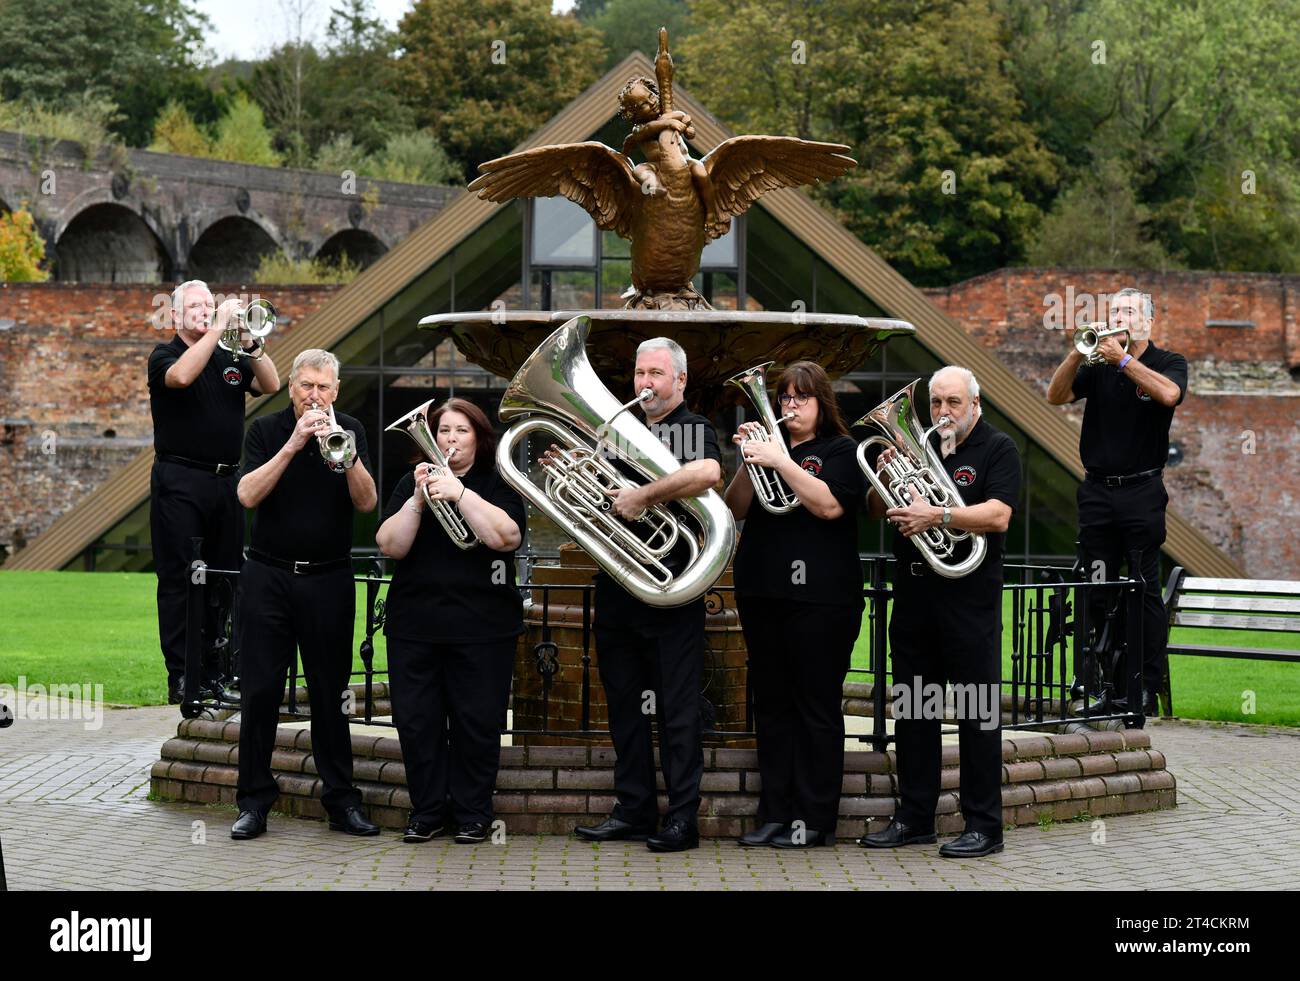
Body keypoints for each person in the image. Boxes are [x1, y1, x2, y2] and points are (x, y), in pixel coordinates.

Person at [858, 366, 1020, 858]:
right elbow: (872, 509)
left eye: (952, 403)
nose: (943, 413)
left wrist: (940, 515)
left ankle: (984, 827)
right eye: (935, 404)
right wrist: (885, 477)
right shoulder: (916, 449)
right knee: (913, 713)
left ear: (975, 403)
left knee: (976, 715)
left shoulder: (998, 448)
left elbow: (998, 514)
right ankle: (915, 819)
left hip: (968, 602)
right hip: (915, 600)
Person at [573, 337, 723, 852]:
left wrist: (644, 494)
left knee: (677, 711)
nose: (645, 384)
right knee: (624, 709)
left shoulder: (693, 429)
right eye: (639, 374)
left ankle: (683, 819)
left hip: (672, 588)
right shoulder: (619, 431)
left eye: (656, 374)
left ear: (679, 381)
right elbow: (596, 501)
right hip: (619, 587)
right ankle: (634, 809)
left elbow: (708, 473)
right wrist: (577, 470)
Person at [229, 349, 378, 841]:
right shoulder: (266, 431)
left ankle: (341, 801)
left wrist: (347, 455)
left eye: (324, 388)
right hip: (268, 576)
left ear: (336, 392)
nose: (315, 396)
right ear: (291, 388)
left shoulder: (349, 429)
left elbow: (367, 502)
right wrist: (293, 446)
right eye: (306, 386)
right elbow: (247, 495)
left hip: (328, 579)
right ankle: (253, 802)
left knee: (331, 693)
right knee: (261, 691)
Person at [724, 361, 865, 848]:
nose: (790, 406)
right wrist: (748, 459)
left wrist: (782, 460)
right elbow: (736, 507)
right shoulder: (767, 452)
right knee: (773, 706)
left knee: (815, 707)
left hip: (821, 599)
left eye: (800, 398)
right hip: (763, 591)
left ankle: (813, 820)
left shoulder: (842, 451)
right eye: (784, 398)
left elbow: (828, 506)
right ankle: (775, 814)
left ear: (820, 403)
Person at [376, 398, 525, 845]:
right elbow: (390, 545)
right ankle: (427, 811)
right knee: (418, 724)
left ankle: (473, 813)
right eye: (443, 431)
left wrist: (460, 493)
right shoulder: (411, 482)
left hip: (483, 628)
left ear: (479, 439)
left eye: (462, 431)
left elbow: (506, 537)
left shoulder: (497, 482)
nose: (451, 440)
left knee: (475, 723)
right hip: (415, 626)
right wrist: (418, 500)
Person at [1046, 288, 1186, 714]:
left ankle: (1143, 684)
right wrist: (1076, 352)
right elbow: (1054, 397)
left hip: (1141, 490)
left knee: (1142, 587)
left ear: (1147, 321)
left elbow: (1169, 396)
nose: (1118, 317)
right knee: (1097, 584)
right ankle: (1098, 682)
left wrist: (1124, 361)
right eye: (1114, 311)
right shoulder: (1097, 364)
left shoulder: (1167, 362)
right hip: (1097, 490)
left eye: (1127, 311)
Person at [147, 280, 279, 704]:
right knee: (181, 579)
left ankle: (217, 670)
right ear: (176, 314)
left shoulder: (229, 354)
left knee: (226, 578)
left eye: (210, 304)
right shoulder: (164, 355)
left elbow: (272, 384)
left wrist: (249, 342)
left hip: (226, 482)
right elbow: (183, 375)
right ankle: (183, 675)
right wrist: (216, 328)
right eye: (197, 306)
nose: (206, 310)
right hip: (180, 479)